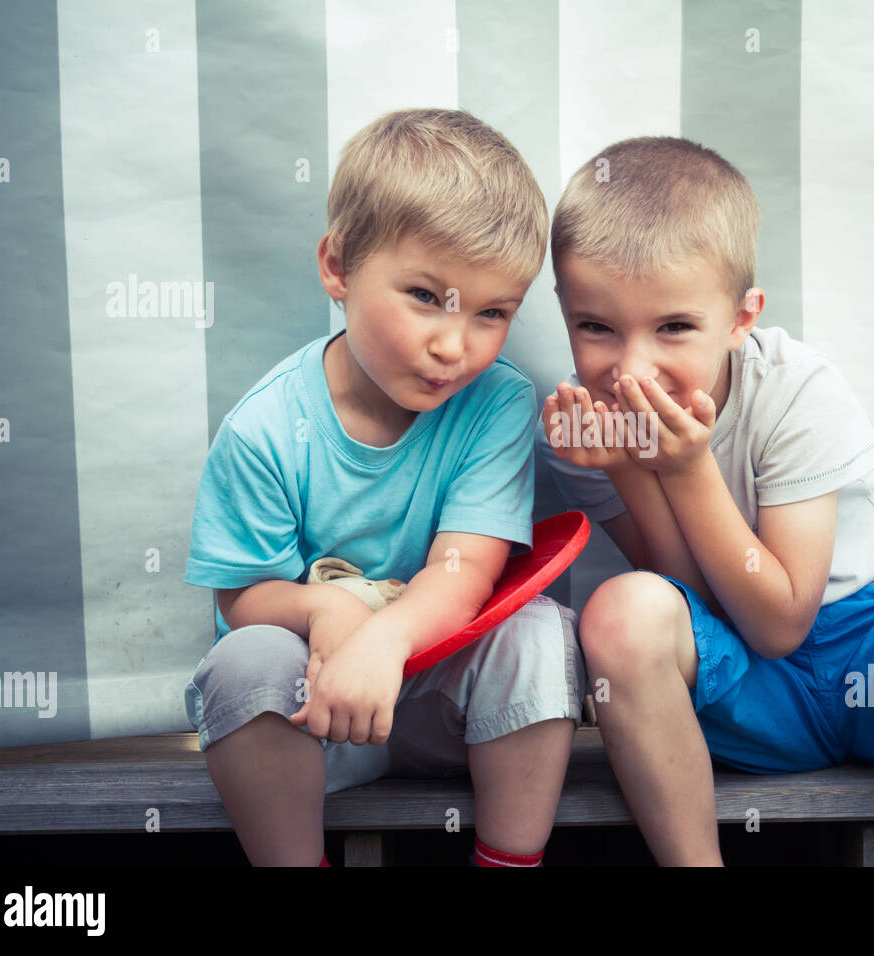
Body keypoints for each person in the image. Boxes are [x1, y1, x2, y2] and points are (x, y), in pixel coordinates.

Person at [537, 135, 874, 866]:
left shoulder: (797, 389)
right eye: (595, 327)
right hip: (753, 699)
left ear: (741, 317)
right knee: (622, 612)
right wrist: (629, 472)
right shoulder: (584, 427)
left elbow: (784, 618)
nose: (632, 369)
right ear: (562, 309)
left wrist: (688, 468)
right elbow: (694, 599)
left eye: (674, 328)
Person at [183, 108, 585, 867]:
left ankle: (507, 860)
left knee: (540, 631)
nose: (452, 344)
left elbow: (465, 572)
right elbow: (240, 599)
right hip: (313, 717)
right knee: (245, 661)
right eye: (426, 296)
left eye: (491, 312)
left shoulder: (495, 403)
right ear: (338, 267)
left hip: (450, 719)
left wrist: (386, 641)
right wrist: (322, 606)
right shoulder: (265, 429)